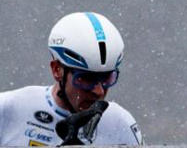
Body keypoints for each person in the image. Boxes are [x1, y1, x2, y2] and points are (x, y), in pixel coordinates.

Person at [0, 12, 143, 145]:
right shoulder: (7, 109)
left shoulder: (120, 124)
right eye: (86, 78)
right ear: (57, 70)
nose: (99, 91)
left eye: (107, 78)